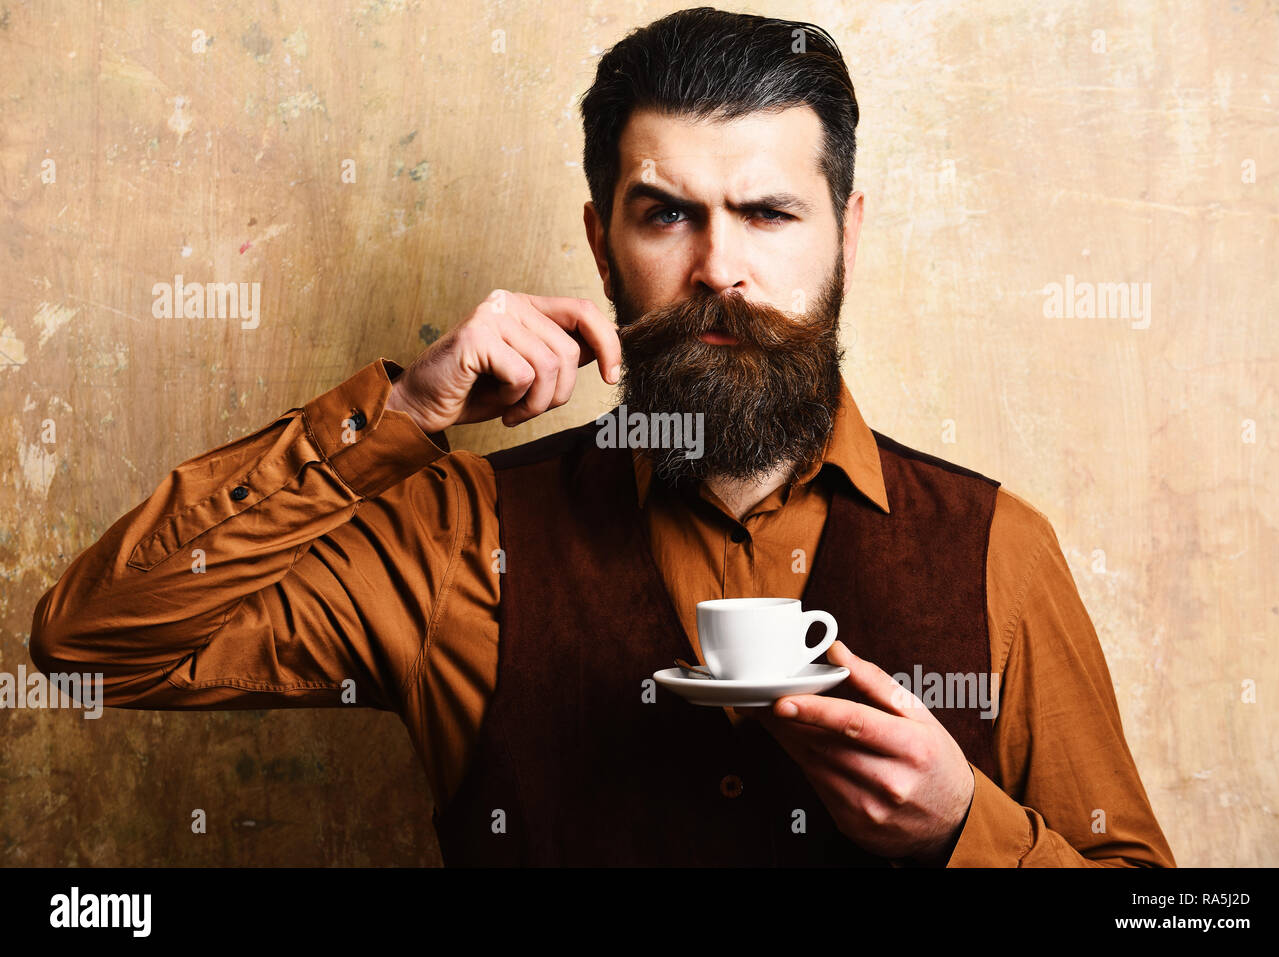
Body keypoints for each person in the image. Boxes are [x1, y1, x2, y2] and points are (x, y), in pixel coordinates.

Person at [29, 7, 1175, 867]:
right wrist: (401, 419)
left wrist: (963, 832)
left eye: (771, 213)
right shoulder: (454, 538)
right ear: (599, 239)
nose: (719, 267)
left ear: (847, 235)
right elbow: (90, 648)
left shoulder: (995, 547)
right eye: (667, 213)